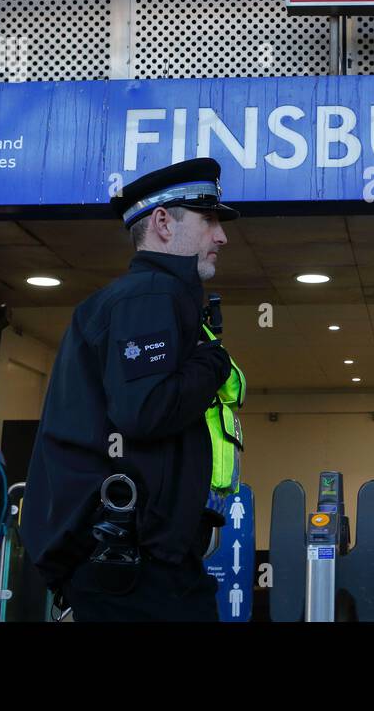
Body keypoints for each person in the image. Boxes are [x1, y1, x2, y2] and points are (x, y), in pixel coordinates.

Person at [21, 157, 247, 621]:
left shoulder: (144, 297)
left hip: (135, 561)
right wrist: (213, 362)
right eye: (209, 220)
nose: (221, 236)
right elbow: (145, 410)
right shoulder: (151, 295)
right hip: (134, 570)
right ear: (163, 222)